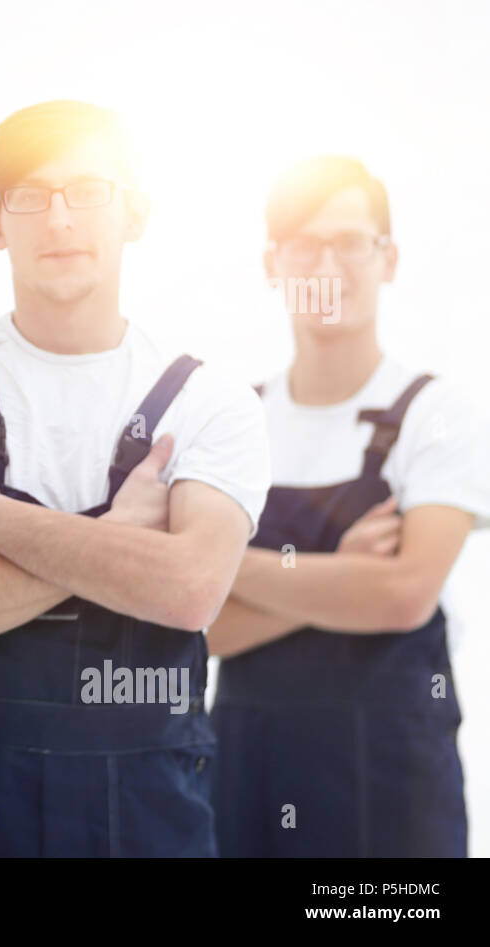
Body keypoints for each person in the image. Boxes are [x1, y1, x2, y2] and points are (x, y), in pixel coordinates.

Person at [0, 100, 271, 857]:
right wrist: (118, 544)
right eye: (31, 196)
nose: (60, 219)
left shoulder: (210, 401)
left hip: (153, 817)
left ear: (135, 214)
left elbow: (190, 590)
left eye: (88, 191)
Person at [208, 155, 490, 857]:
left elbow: (403, 595)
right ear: (272, 264)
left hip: (393, 798)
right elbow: (197, 626)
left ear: (388, 259)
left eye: (351, 242)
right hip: (246, 786)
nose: (327, 266)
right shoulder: (230, 424)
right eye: (305, 245)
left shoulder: (437, 414)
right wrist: (342, 574)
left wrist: (223, 566)